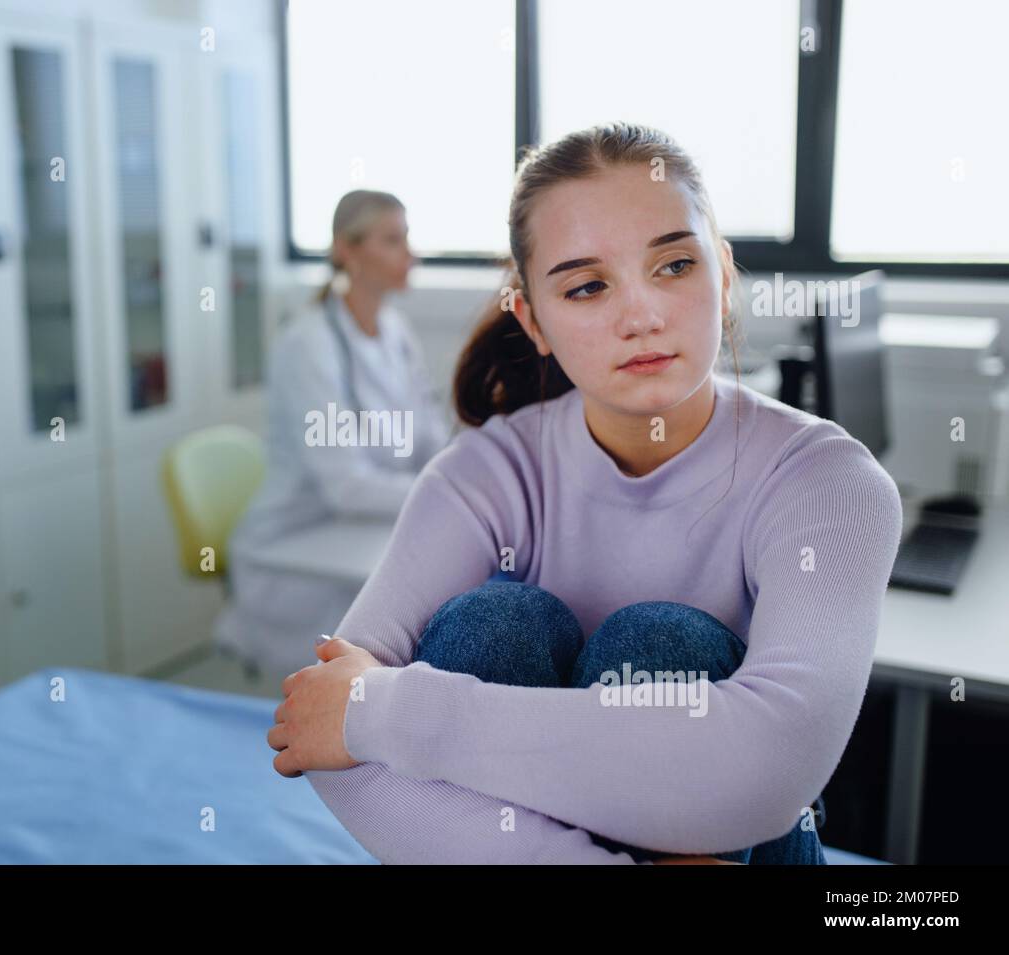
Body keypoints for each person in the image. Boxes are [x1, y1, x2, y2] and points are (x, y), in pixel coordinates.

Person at [266, 122, 904, 864]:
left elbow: (764, 769)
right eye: (588, 286)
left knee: (660, 644)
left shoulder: (829, 482)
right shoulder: (487, 470)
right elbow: (323, 729)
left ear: (723, 275)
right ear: (534, 319)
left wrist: (390, 710)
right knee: (493, 625)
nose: (641, 315)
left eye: (672, 265)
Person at [215, 190, 451, 680]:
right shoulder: (309, 343)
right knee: (406, 622)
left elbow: (430, 432)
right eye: (393, 240)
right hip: (298, 543)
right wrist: (442, 494)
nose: (411, 253)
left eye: (407, 237)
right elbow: (346, 487)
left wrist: (457, 474)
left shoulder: (394, 329)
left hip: (363, 529)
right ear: (347, 249)